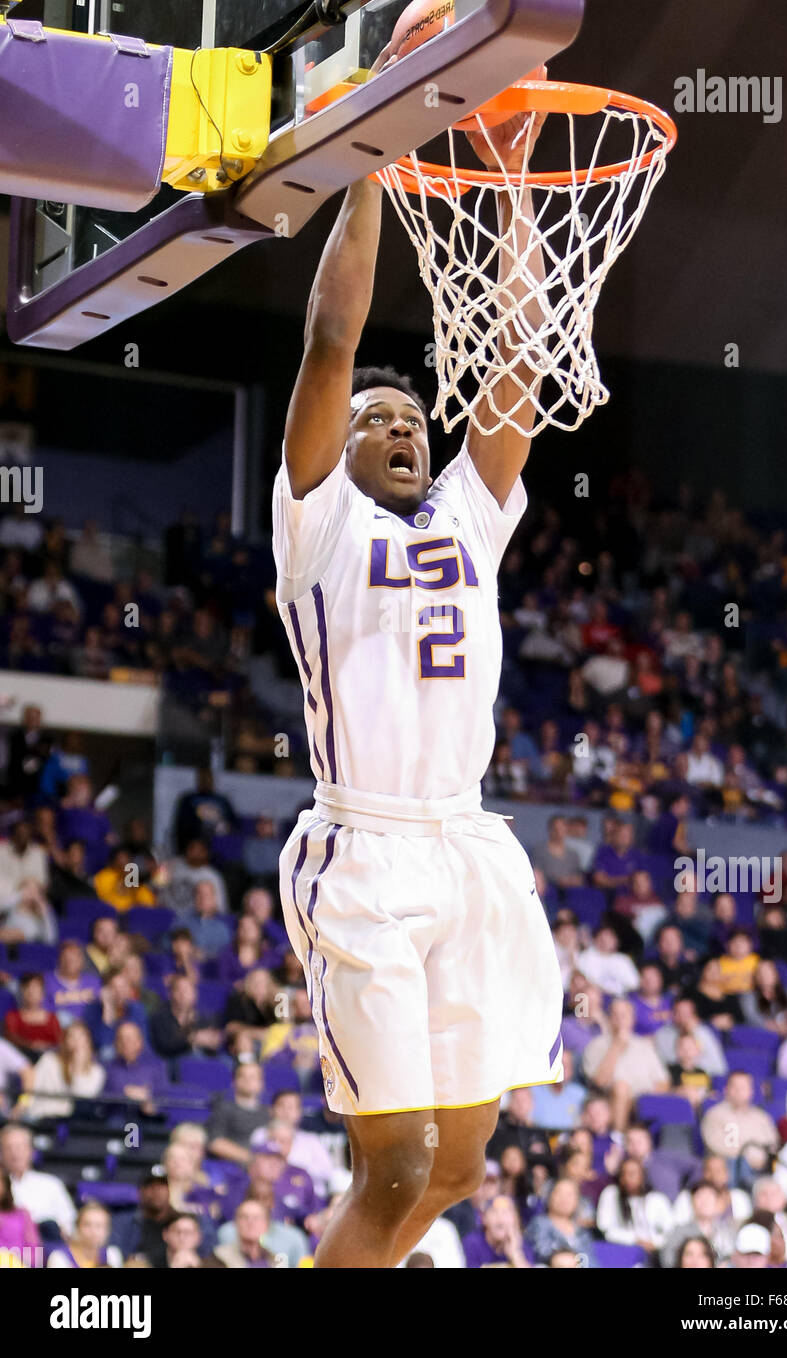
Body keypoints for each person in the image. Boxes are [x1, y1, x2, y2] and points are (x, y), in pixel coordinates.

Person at [272, 84, 565, 1271]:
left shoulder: (466, 514)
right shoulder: (319, 525)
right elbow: (331, 342)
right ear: (335, 447)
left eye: (409, 420)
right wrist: (370, 157)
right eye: (373, 421)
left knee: (459, 1164)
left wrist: (508, 184)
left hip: (467, 846)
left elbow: (513, 363)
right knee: (390, 1163)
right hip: (366, 853)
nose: (398, 429)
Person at [581, 999, 669, 1132]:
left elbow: (663, 1081)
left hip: (641, 1100)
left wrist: (645, 1098)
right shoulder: (596, 1045)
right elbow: (599, 1081)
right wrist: (617, 1046)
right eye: (615, 1015)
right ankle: (618, 1138)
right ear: (609, 1019)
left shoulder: (645, 1046)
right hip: (608, 1099)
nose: (620, 1019)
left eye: (624, 1015)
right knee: (621, 1087)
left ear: (632, 1019)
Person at [700, 1071, 779, 1186]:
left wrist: (765, 1160)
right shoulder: (715, 1115)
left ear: (751, 1091)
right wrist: (748, 1157)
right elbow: (716, 1146)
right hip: (732, 1169)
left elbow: (773, 1144)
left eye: (743, 1087)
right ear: (726, 1089)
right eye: (735, 1087)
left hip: (763, 1168)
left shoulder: (761, 1117)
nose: (739, 1091)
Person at [0, 1123, 76, 1238]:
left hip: (46, 1246)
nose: (14, 1153)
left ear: (31, 1151)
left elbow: (70, 1224)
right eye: (8, 1148)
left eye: (20, 1147)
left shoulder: (52, 1184)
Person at [25, 1021, 105, 1121]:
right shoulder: (49, 1060)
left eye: (80, 1037)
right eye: (72, 1037)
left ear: (88, 1041)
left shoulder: (96, 1071)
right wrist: (23, 1106)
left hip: (72, 1121)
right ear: (65, 1041)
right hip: (41, 1116)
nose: (76, 1041)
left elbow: (81, 1100)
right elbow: (31, 1089)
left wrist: (78, 1067)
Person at [596, 1159, 674, 1258]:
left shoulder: (657, 1199)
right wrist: (634, 1240)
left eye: (632, 1174)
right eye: (623, 1174)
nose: (627, 1178)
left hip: (656, 1254)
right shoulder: (611, 1194)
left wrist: (655, 1243)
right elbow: (605, 1228)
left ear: (642, 1176)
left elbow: (671, 1231)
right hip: (621, 1252)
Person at [206, 1062, 272, 1163]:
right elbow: (215, 1143)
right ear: (234, 1081)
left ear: (261, 1083)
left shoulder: (268, 1113)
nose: (248, 1081)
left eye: (253, 1077)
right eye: (243, 1076)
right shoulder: (223, 1108)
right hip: (230, 1167)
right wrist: (252, 1159)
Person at [524, 1177, 597, 1265]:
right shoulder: (539, 1223)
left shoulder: (582, 1231)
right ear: (550, 1196)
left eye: (569, 1195)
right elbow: (543, 1253)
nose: (564, 1199)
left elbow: (589, 1260)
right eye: (559, 1193)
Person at [462, 1194, 535, 1268]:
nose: (500, 1219)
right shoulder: (472, 1243)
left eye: (506, 1213)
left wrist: (516, 1255)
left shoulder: (520, 1245)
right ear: (483, 1218)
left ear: (516, 1220)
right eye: (494, 1212)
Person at [46, 1201, 123, 1268]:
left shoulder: (112, 1255)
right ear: (77, 1228)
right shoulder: (59, 1257)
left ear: (107, 1230)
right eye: (87, 1225)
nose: (93, 1231)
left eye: (99, 1226)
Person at [2, 974, 62, 1060]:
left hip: (49, 1060)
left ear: (43, 992)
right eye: (27, 988)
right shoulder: (12, 1017)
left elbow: (59, 1041)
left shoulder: (52, 1018)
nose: (31, 992)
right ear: (21, 992)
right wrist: (30, 1045)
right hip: (21, 1061)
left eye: (36, 988)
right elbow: (10, 1041)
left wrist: (45, 1047)